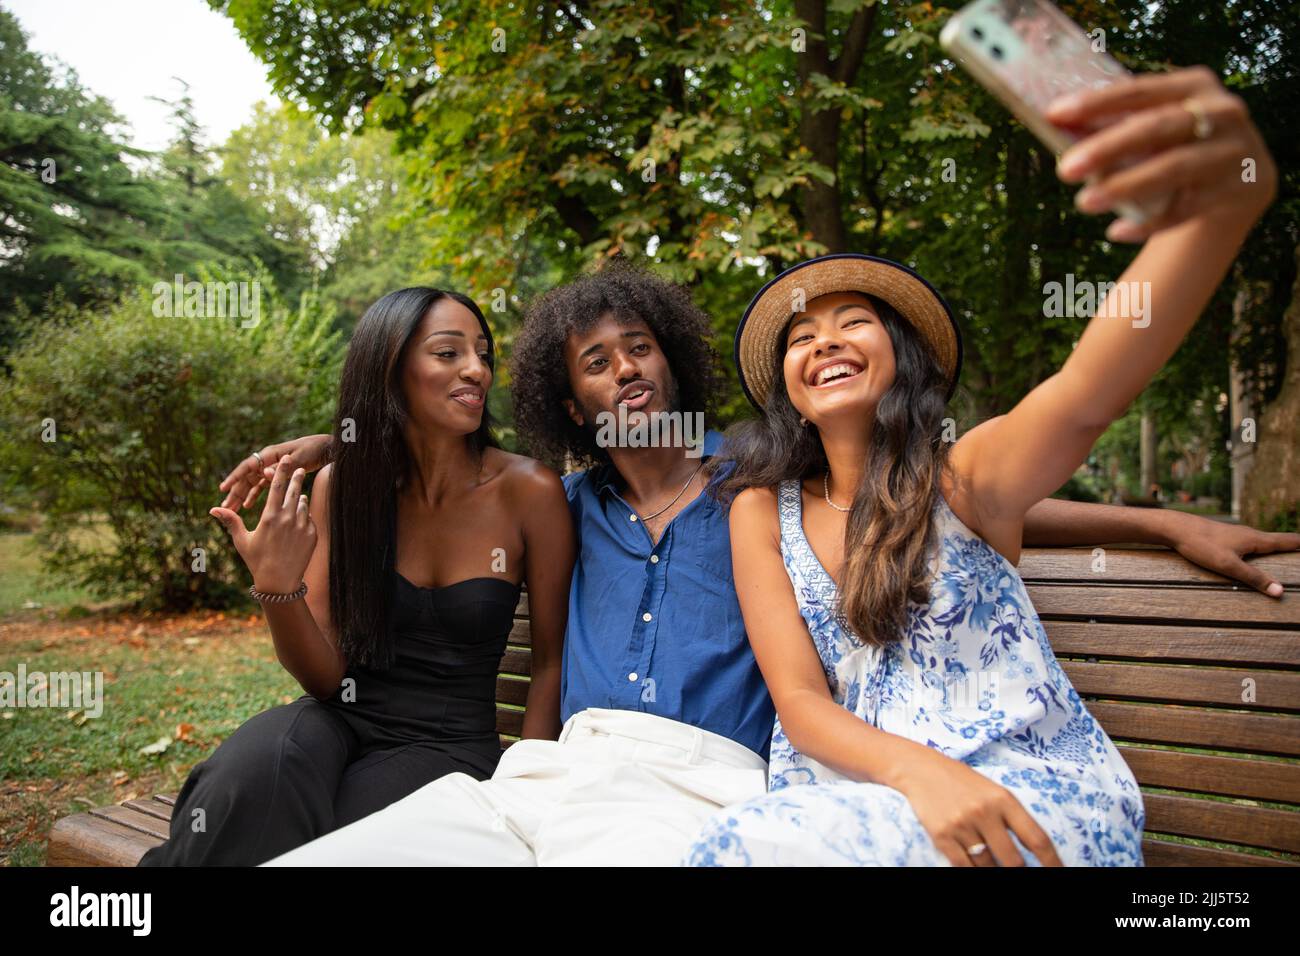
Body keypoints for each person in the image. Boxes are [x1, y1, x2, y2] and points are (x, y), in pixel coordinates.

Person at [230, 255, 1296, 866]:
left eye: (638, 346)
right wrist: (343, 437)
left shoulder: (759, 478)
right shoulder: (555, 503)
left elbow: (935, 495)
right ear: (570, 402)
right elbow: (442, 458)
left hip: (710, 786)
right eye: (595, 362)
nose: (624, 371)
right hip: (555, 775)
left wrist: (1152, 524)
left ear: (674, 357)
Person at [684, 66, 1282, 866]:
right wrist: (917, 775)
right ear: (787, 389)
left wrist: (1216, 210)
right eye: (801, 336)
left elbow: (1082, 395)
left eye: (853, 321)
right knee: (740, 845)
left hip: (1027, 795)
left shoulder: (967, 476)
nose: (823, 339)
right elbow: (797, 700)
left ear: (900, 357)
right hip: (862, 799)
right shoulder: (764, 511)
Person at [139, 287, 574, 865]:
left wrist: (525, 794)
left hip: (446, 748)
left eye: (483, 353)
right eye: (448, 353)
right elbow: (324, 680)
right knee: (252, 775)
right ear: (390, 369)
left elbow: (548, 663)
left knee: (330, 839)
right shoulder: (343, 487)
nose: (477, 369)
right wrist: (277, 587)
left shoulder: (528, 492)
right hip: (336, 719)